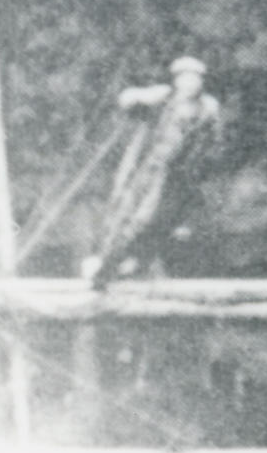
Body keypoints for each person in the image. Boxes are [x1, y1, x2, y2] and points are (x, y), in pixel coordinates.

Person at [87, 56, 226, 290]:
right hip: (150, 171)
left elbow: (215, 142)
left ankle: (136, 266)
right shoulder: (163, 100)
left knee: (162, 224)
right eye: (186, 77)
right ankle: (106, 270)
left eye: (196, 78)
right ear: (177, 80)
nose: (192, 83)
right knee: (135, 220)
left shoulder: (207, 107)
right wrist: (145, 95)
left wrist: (202, 166)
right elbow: (126, 101)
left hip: (180, 175)